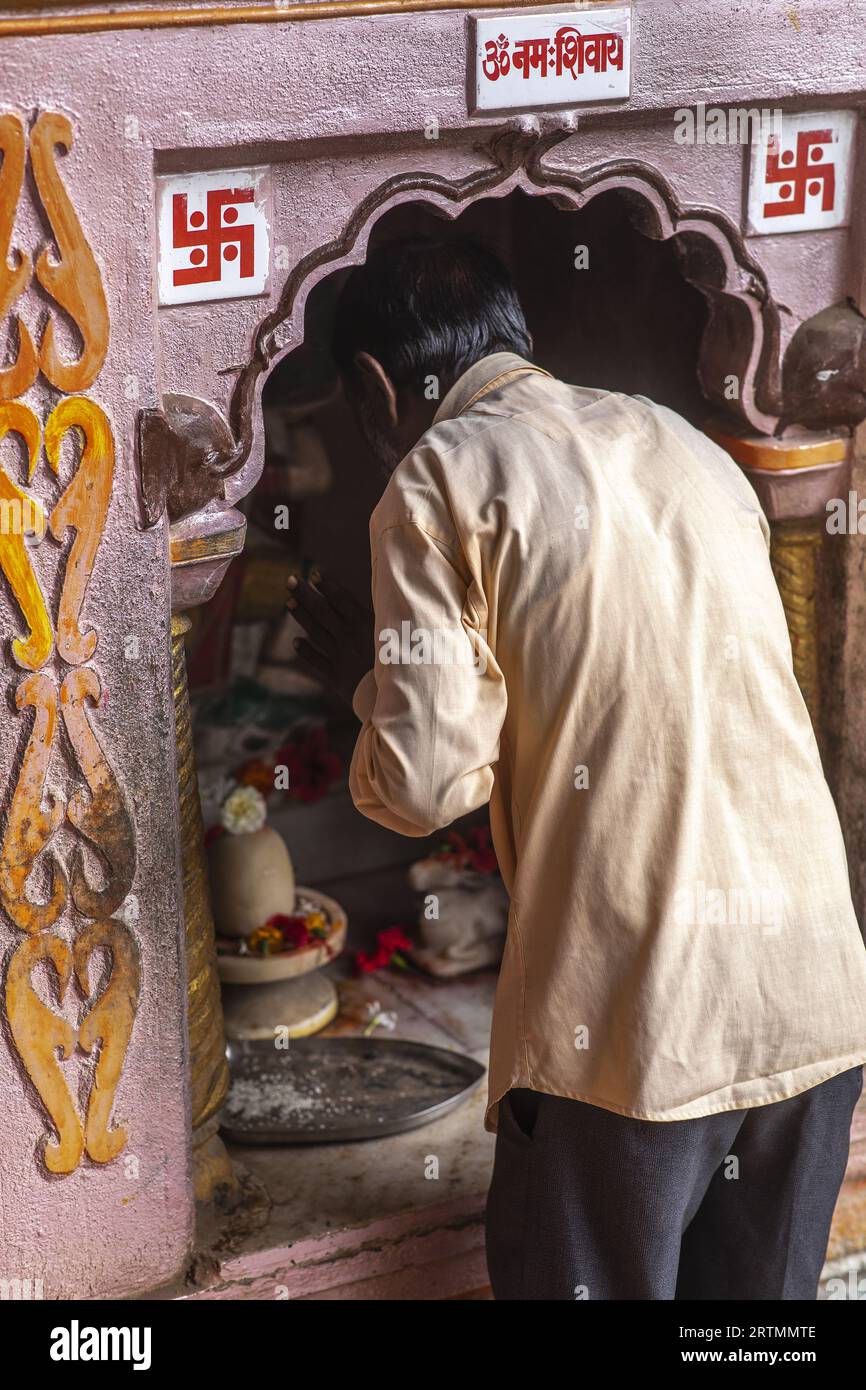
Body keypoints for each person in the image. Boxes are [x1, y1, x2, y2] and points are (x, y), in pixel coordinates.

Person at [287, 236, 866, 1300]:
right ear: (521, 343)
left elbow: (423, 787)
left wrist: (368, 687)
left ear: (375, 388)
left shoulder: (437, 475)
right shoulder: (687, 445)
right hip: (813, 996)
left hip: (638, 1025)